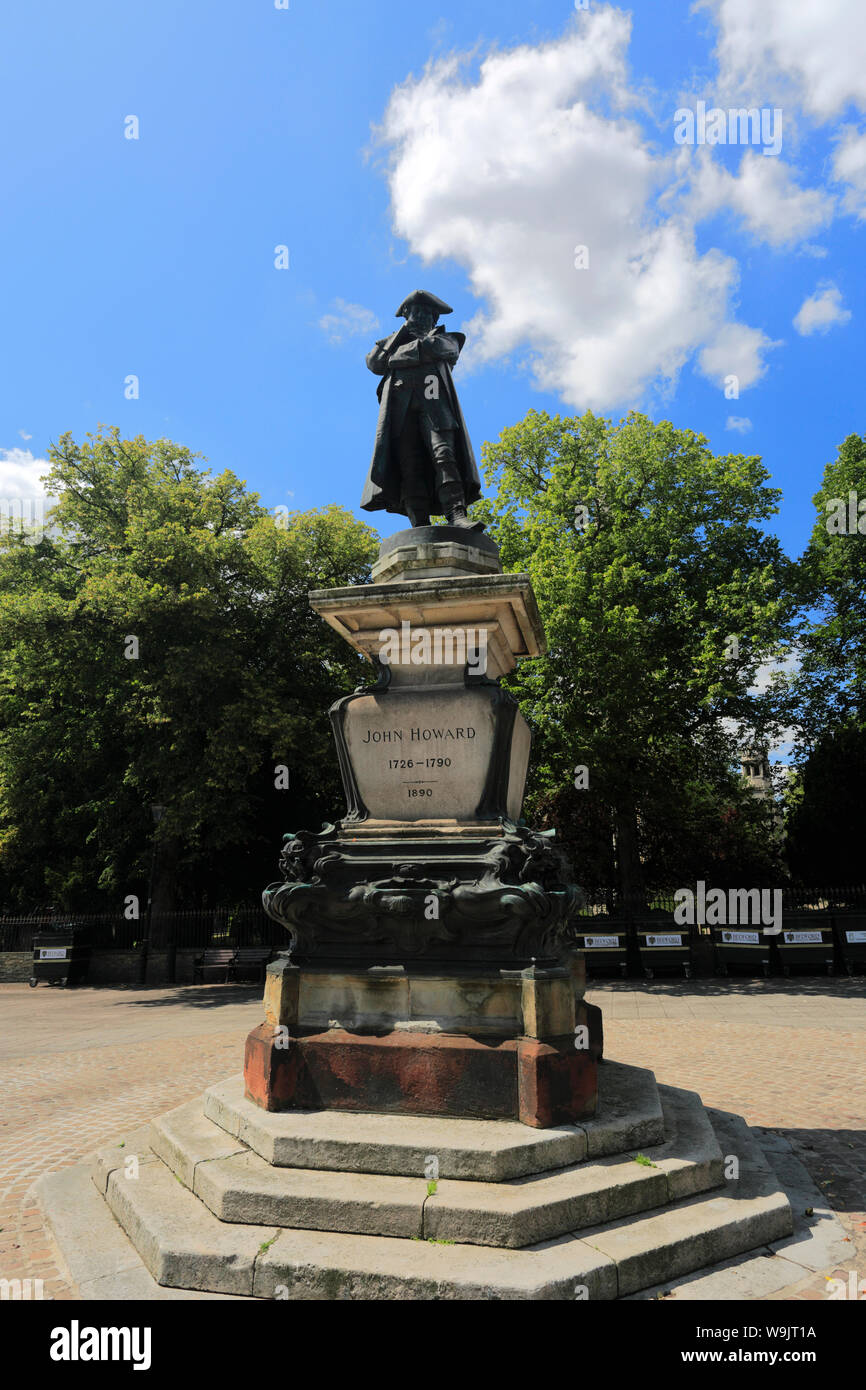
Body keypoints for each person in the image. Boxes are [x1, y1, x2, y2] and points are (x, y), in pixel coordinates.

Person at [360, 290, 483, 530]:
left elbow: (436, 349)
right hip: (400, 410)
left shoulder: (448, 338)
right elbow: (375, 364)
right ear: (405, 316)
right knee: (409, 466)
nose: (421, 318)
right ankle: (420, 524)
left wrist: (395, 356)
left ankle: (457, 516)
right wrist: (398, 339)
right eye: (415, 313)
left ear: (435, 320)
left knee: (445, 455)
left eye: (428, 314)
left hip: (435, 407)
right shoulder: (388, 342)